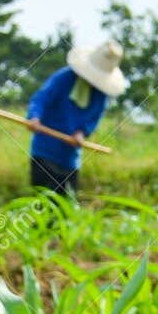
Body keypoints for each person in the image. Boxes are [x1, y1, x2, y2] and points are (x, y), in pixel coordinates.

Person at [26, 39, 127, 196]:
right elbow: (41, 99)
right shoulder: (64, 78)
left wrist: (82, 132)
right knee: (43, 204)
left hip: (70, 159)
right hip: (45, 152)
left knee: (66, 206)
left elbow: (93, 120)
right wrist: (34, 117)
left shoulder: (101, 94)